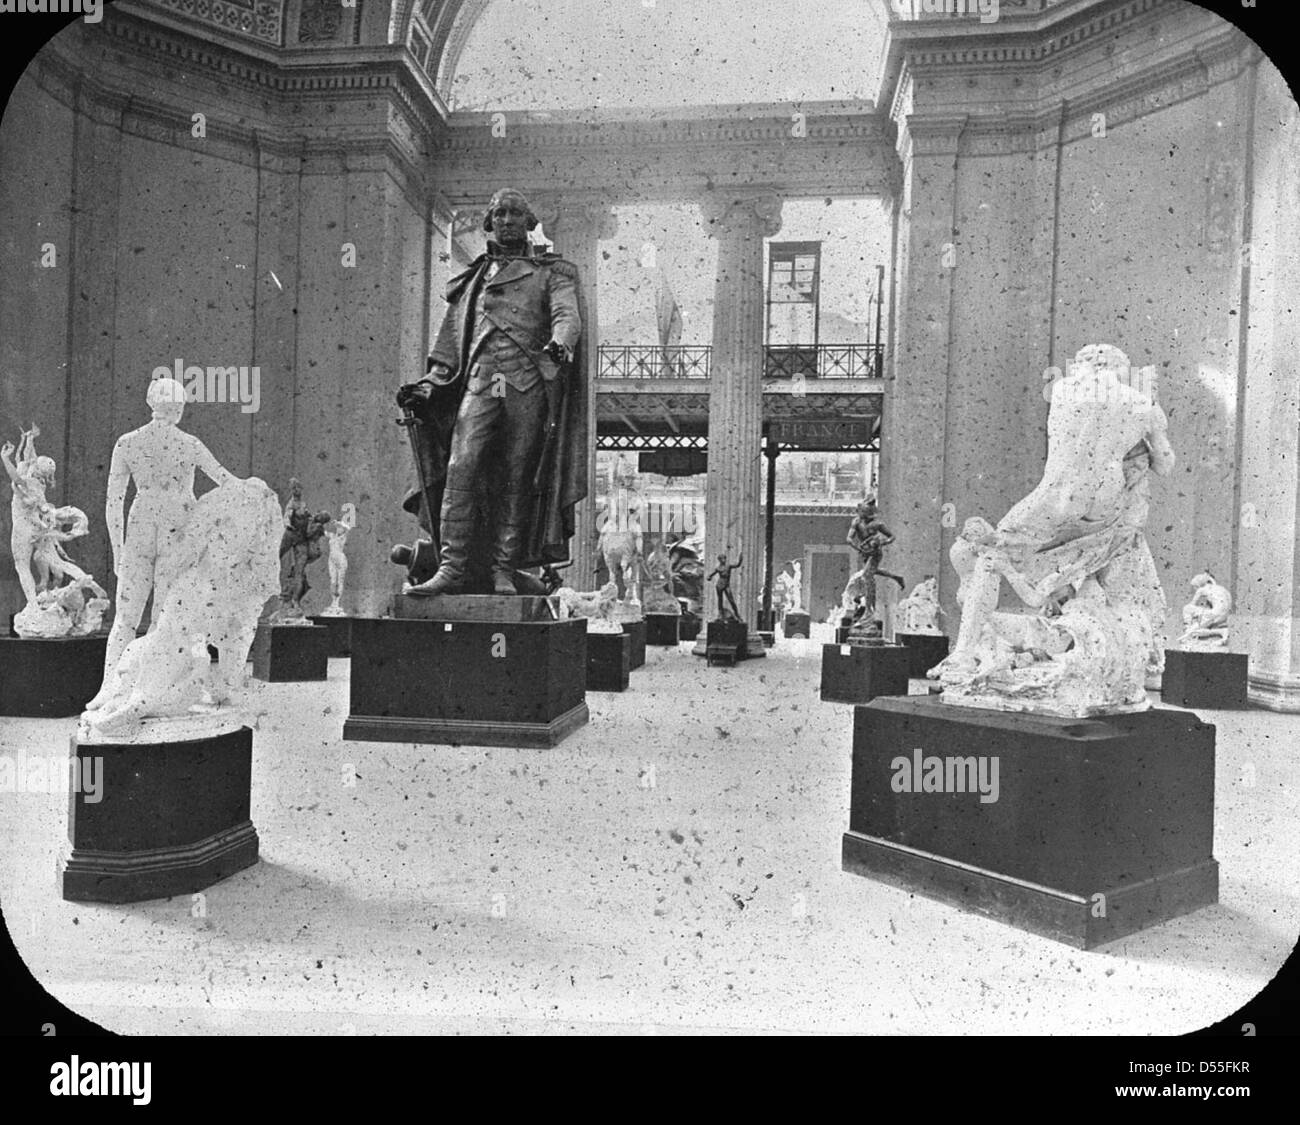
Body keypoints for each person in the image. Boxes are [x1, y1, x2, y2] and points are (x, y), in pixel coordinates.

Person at [396, 187, 586, 596]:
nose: (507, 220)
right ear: (489, 222)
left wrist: (560, 343)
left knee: (517, 476)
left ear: (529, 222)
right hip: (481, 381)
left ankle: (503, 569)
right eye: (499, 213)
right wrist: (428, 385)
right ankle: (451, 567)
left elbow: (566, 316)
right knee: (460, 468)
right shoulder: (474, 278)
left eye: (515, 213)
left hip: (526, 383)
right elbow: (449, 346)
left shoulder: (552, 272)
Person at [89, 377, 235, 707]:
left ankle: (110, 689)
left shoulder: (127, 442)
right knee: (163, 616)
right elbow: (226, 481)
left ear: (151, 404)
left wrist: (118, 549)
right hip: (179, 525)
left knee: (125, 618)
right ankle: (148, 691)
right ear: (179, 408)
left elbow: (113, 502)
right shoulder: (190, 444)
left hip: (141, 523)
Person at [1, 424, 57, 607]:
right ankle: (44, 593)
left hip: (24, 527)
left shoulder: (30, 482)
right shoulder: (39, 481)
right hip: (35, 524)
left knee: (22, 566)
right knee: (38, 562)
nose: (33, 460)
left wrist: (4, 458)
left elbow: (16, 478)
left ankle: (33, 605)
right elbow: (29, 457)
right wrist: (30, 439)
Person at [706, 552, 742, 620]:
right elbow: (710, 575)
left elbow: (737, 565)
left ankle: (737, 614)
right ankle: (720, 614)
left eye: (724, 558)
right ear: (719, 560)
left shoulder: (728, 566)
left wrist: (740, 560)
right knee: (720, 600)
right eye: (722, 559)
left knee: (731, 600)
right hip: (719, 585)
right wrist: (709, 577)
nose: (724, 560)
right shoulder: (718, 568)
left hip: (726, 585)